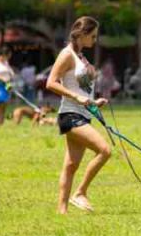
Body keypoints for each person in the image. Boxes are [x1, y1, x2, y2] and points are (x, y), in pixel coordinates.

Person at [45, 16, 110, 215]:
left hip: (84, 113)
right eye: (93, 36)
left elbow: (83, 88)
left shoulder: (81, 56)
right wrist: (76, 97)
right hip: (70, 115)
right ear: (81, 35)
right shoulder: (66, 55)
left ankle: (61, 211)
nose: (95, 40)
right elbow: (51, 82)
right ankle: (80, 193)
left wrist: (93, 102)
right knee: (105, 150)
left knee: (71, 165)